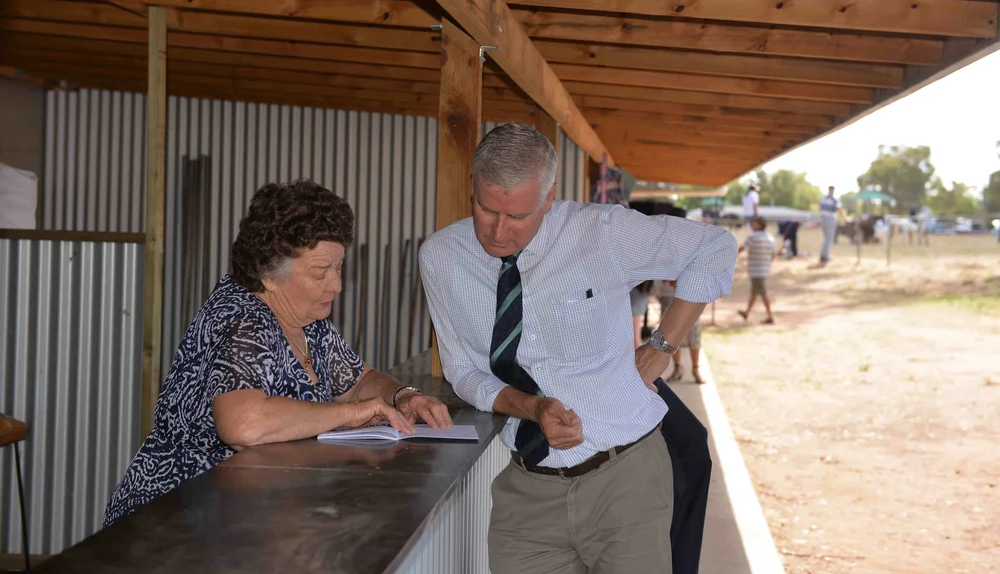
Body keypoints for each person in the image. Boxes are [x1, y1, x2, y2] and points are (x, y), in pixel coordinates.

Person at [419, 123, 737, 574]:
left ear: (549, 199)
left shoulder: (601, 232)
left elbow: (715, 248)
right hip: (527, 496)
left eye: (518, 216)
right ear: (472, 185)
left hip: (625, 482)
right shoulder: (441, 257)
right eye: (486, 209)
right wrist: (533, 407)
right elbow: (463, 372)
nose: (497, 232)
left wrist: (663, 345)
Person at [104, 180, 452, 527]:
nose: (337, 284)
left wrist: (403, 395)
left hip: (234, 518)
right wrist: (347, 413)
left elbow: (359, 379)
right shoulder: (244, 320)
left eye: (339, 267)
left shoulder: (306, 316)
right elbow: (243, 424)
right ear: (269, 275)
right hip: (171, 522)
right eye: (320, 273)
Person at [658, 280, 705, 384]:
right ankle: (677, 367)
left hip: (691, 293)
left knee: (694, 331)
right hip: (668, 293)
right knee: (670, 334)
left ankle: (695, 368)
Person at [737, 217, 778, 324]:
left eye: (753, 224)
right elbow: (773, 255)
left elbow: (742, 249)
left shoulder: (752, 237)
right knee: (755, 292)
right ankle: (747, 312)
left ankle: (770, 316)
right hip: (764, 269)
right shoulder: (770, 238)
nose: (752, 226)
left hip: (755, 269)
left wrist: (730, 255)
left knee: (762, 292)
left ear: (759, 225)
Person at [819, 185, 845, 264]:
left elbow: (820, 208)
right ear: (833, 190)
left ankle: (823, 255)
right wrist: (845, 217)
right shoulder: (835, 199)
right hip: (830, 219)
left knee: (826, 238)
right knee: (829, 238)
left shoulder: (823, 198)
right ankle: (825, 256)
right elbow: (839, 209)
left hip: (823, 219)